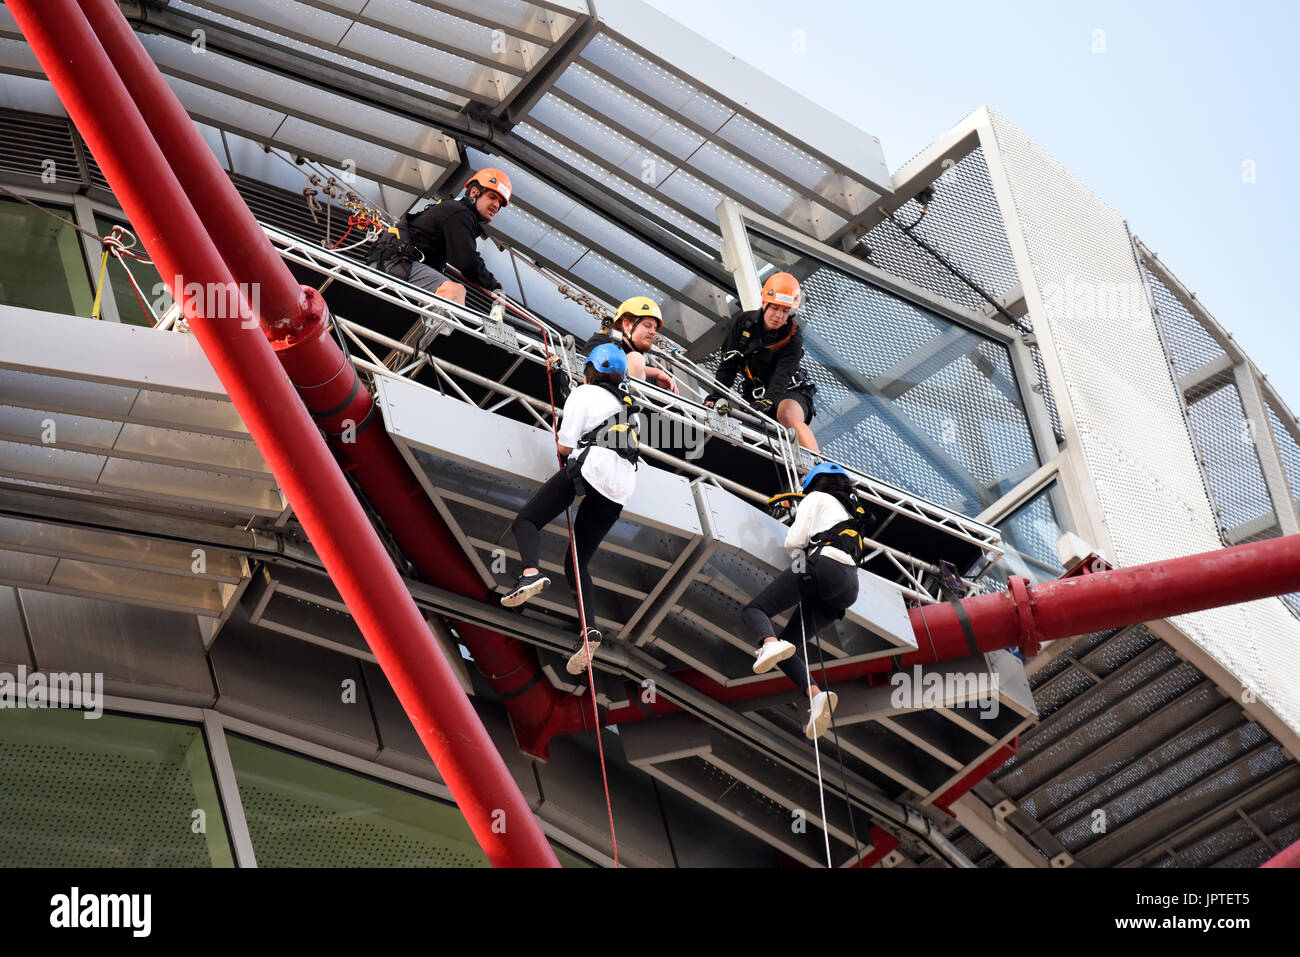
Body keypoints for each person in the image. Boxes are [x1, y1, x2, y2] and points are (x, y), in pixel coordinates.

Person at [501, 343, 641, 675]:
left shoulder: (584, 394)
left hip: (591, 468)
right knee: (577, 563)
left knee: (527, 521)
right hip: (620, 489)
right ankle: (588, 630)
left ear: (590, 370)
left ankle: (531, 574)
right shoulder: (627, 408)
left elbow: (564, 445)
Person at [740, 461, 872, 739]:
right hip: (848, 587)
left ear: (814, 484)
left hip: (823, 568)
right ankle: (815, 695)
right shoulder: (853, 516)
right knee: (789, 648)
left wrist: (794, 523)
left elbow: (793, 542)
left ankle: (767, 644)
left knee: (754, 611)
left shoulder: (816, 498)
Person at [705, 272, 819, 452]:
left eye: (785, 310)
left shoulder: (793, 336)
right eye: (775, 308)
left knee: (786, 415)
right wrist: (717, 395)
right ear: (764, 303)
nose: (779, 315)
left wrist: (769, 400)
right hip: (756, 397)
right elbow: (729, 364)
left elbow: (783, 374)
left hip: (789, 391)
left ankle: (818, 465)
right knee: (746, 437)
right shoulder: (744, 323)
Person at [367, 168, 511, 305]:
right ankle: (443, 331)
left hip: (398, 265)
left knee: (440, 294)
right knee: (454, 291)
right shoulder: (460, 213)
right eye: (492, 197)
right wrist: (495, 286)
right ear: (474, 192)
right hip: (394, 265)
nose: (496, 205)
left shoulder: (456, 211)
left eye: (500, 203)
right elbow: (467, 261)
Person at [582, 296, 679, 394]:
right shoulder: (603, 342)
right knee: (636, 358)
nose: (653, 332)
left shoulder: (648, 368)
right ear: (627, 325)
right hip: (601, 402)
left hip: (633, 407)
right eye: (647, 326)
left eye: (655, 328)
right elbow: (592, 368)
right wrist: (654, 372)